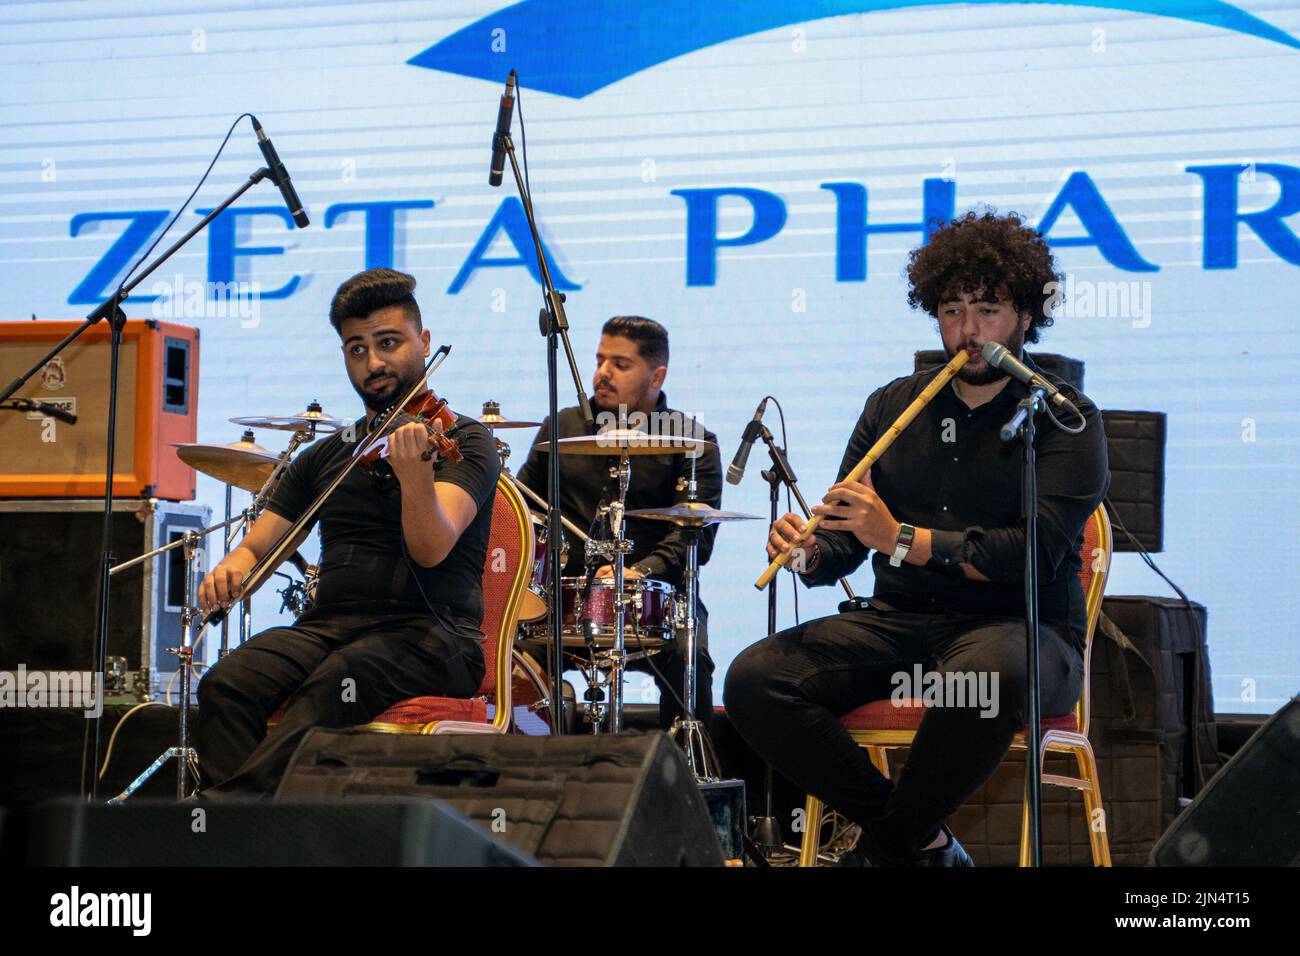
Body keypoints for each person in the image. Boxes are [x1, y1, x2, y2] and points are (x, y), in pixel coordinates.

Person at [724, 211, 1110, 865]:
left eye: (987, 310)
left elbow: (1033, 555)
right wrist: (809, 551)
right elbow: (847, 539)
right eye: (952, 310)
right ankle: (918, 842)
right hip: (900, 625)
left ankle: (883, 849)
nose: (968, 331)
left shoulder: (1066, 419)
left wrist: (900, 538)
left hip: (1023, 631)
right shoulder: (890, 407)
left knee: (987, 673)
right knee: (755, 679)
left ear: (1023, 317)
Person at [194, 268, 500, 797]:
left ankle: (233, 824)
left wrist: (415, 478)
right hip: (330, 627)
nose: (373, 363)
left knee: (335, 683)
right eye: (356, 349)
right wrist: (235, 567)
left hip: (434, 636)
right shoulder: (327, 456)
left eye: (388, 343)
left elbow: (431, 550)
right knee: (227, 683)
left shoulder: (465, 442)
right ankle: (260, 832)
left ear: (424, 343)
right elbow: (259, 545)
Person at [516, 316, 723, 730]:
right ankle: (530, 766)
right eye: (599, 359)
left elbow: (691, 540)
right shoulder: (562, 428)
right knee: (516, 657)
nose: (602, 374)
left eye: (620, 364)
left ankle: (684, 772)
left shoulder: (692, 440)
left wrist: (638, 573)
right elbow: (522, 508)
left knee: (690, 658)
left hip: (656, 600)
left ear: (656, 375)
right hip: (565, 599)